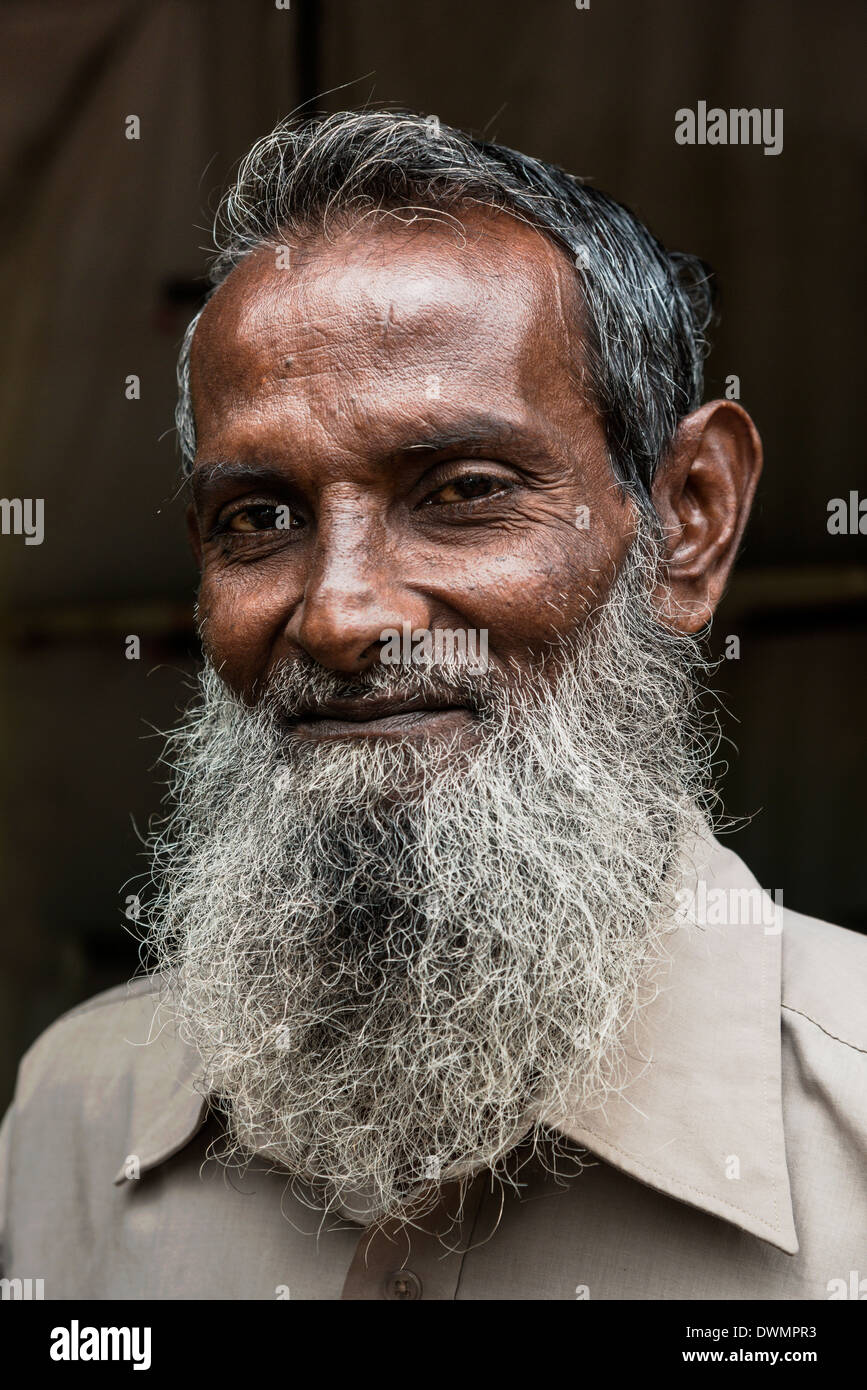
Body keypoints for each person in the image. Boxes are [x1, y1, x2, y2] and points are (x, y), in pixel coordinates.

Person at [2, 110, 864, 1301]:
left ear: (686, 521)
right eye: (260, 518)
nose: (343, 615)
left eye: (463, 489)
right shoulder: (75, 1115)